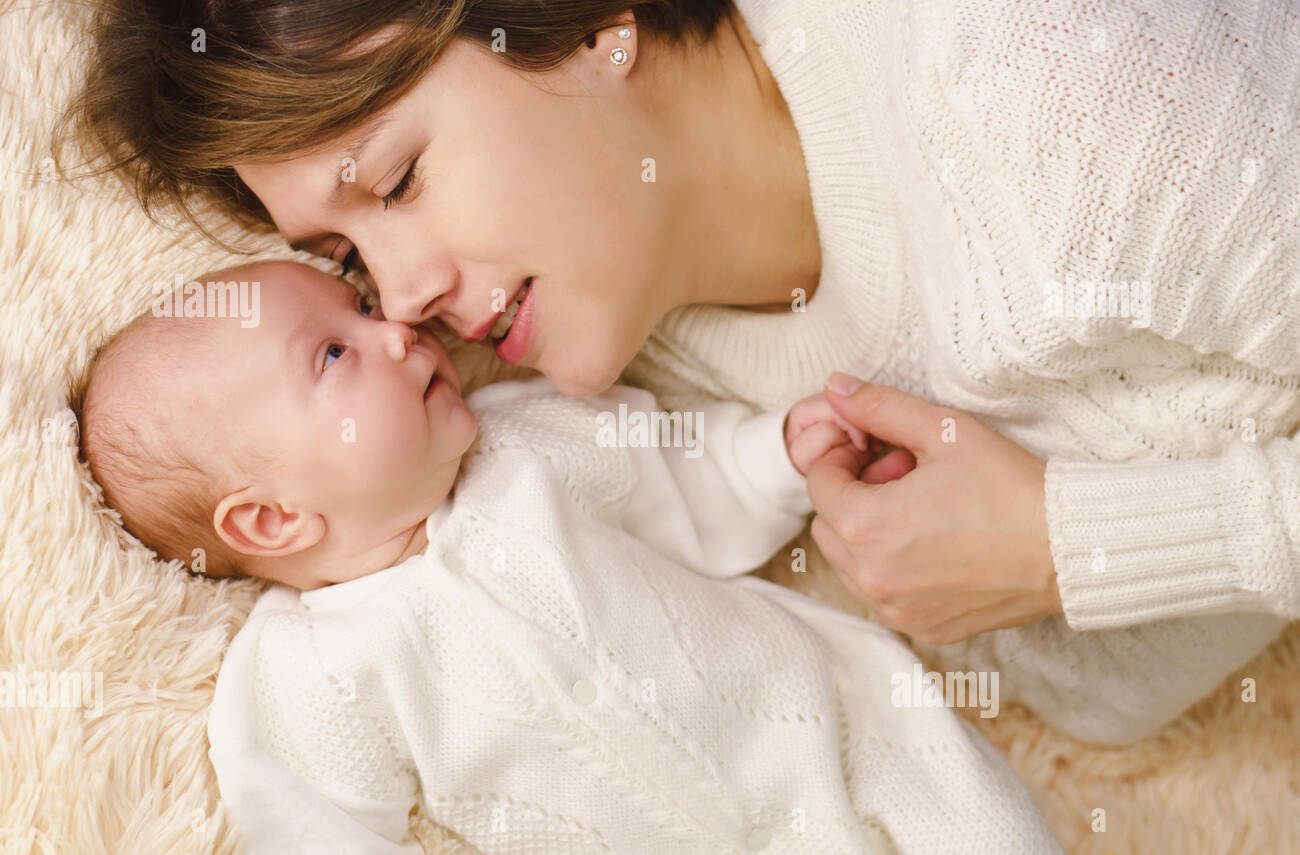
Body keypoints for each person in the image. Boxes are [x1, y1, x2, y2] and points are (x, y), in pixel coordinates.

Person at [65, 0, 1300, 745]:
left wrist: (1065, 541)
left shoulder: (1053, 99)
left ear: (598, 24)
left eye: (394, 181)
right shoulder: (616, 373)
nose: (399, 305)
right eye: (341, 255)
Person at [72, 259, 1069, 855]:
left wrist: (783, 452)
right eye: (333, 353)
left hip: (852, 737)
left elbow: (685, 479)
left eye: (359, 305)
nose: (391, 328)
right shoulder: (310, 668)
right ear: (271, 518)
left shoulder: (525, 445)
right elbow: (320, 836)